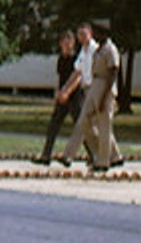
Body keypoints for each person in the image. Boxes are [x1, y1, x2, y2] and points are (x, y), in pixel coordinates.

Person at [57, 21, 122, 171]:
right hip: (93, 87)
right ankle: (106, 155)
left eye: (96, 32)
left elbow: (113, 72)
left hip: (104, 86)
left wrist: (105, 96)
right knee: (84, 121)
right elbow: (78, 71)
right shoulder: (97, 50)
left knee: (104, 125)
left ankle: (103, 161)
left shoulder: (109, 49)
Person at [31, 30, 82, 165]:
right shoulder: (61, 59)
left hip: (75, 97)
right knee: (53, 125)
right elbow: (60, 78)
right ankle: (46, 155)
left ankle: (93, 156)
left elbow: (78, 77)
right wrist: (58, 94)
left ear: (73, 44)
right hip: (62, 97)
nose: (66, 45)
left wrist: (67, 93)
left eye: (69, 42)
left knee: (81, 127)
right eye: (64, 42)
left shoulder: (76, 58)